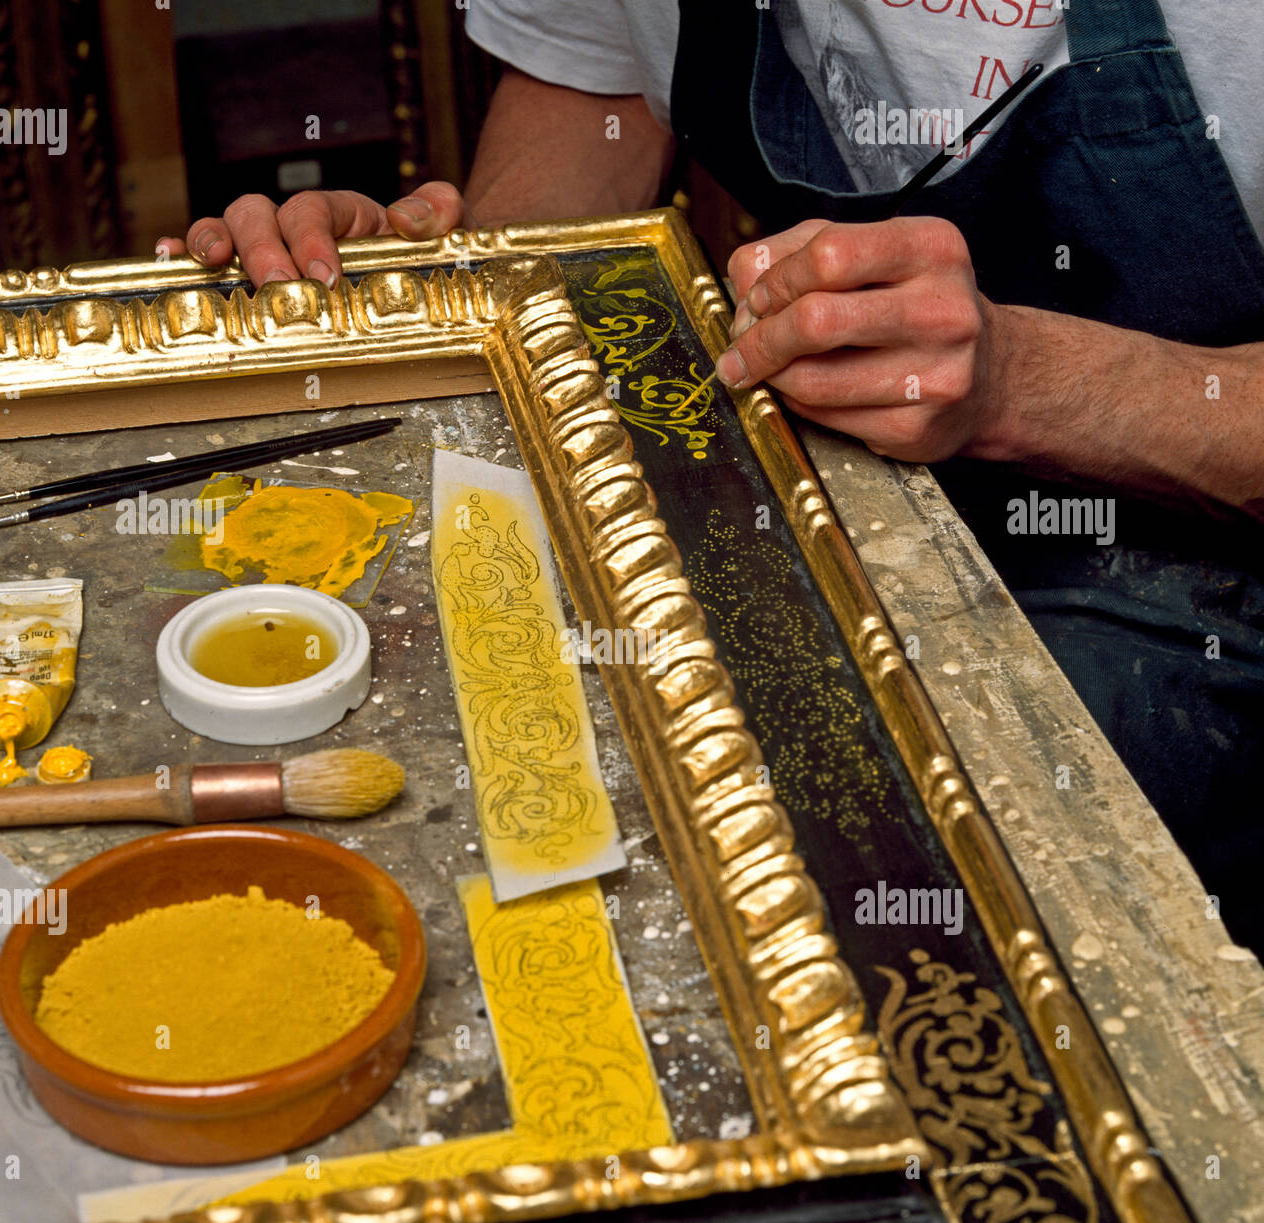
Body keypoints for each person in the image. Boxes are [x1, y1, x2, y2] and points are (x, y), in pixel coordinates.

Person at [164, 1, 1264, 940]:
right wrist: (425, 295)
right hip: (869, 497)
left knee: (873, 870)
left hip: (1214, 561)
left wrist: (1024, 380)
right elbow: (580, 156)